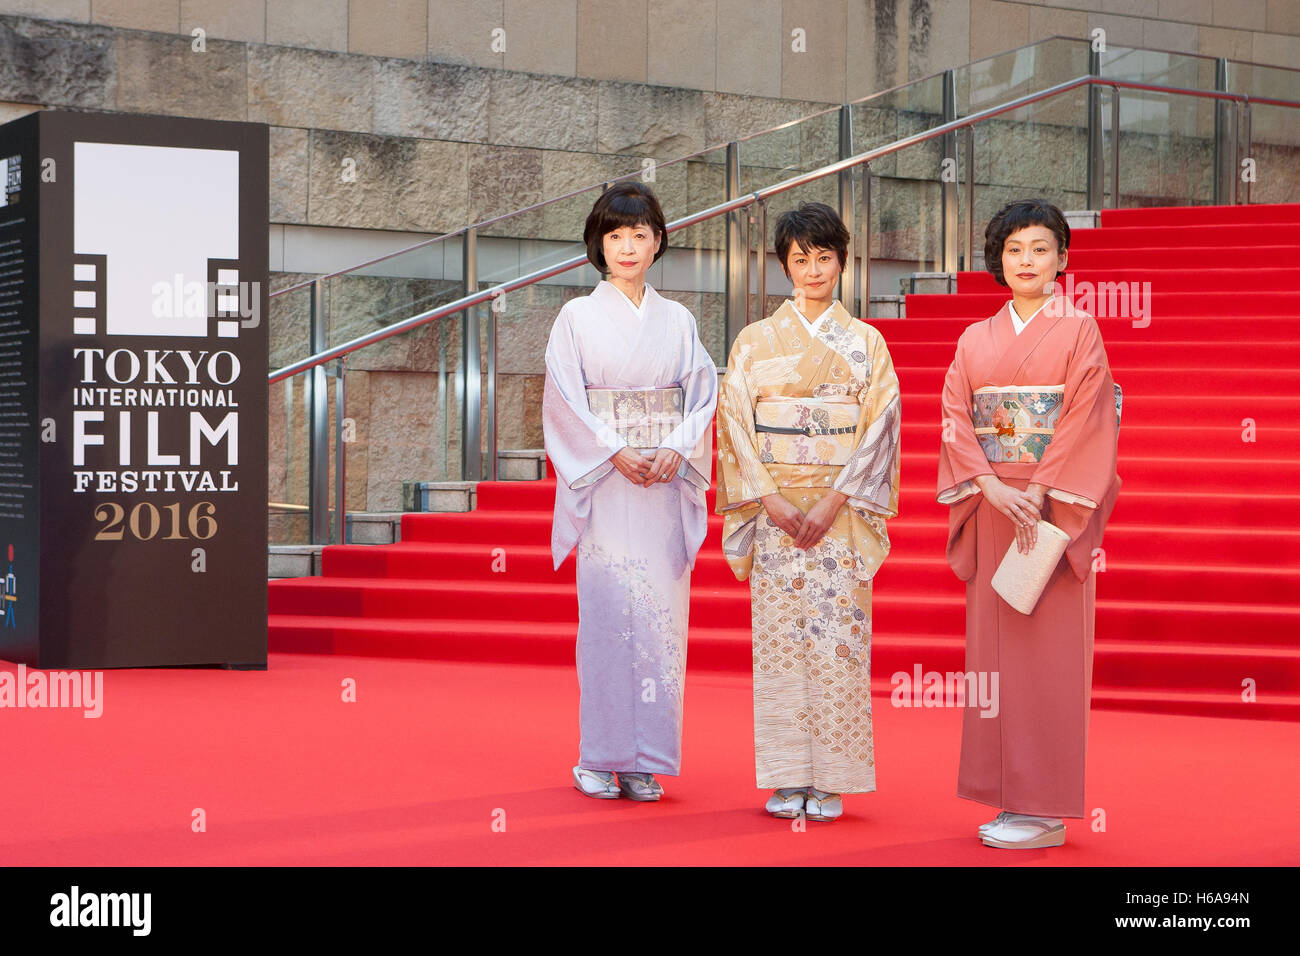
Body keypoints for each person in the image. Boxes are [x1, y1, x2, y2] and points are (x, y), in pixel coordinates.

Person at [936, 198, 1121, 848]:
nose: (1026, 260)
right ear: (998, 259)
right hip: (993, 508)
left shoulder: (1079, 332)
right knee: (992, 654)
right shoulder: (974, 338)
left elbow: (1087, 418)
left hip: (1048, 517)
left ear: (1063, 259)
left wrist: (1039, 492)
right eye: (1015, 249)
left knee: (1046, 656)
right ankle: (1007, 795)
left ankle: (1042, 807)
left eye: (1040, 248)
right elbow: (956, 415)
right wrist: (988, 485)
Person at [716, 201, 901, 822]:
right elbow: (736, 422)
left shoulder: (867, 343)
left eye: (825, 257)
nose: (814, 269)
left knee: (837, 643)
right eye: (802, 258)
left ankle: (833, 778)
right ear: (783, 265)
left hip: (838, 513)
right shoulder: (753, 342)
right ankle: (788, 774)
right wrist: (766, 496)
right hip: (773, 514)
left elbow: (880, 426)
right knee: (778, 645)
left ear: (842, 262)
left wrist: (836, 498)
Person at [542, 182, 718, 802]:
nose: (627, 246)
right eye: (615, 235)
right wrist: (613, 449)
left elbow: (702, 396)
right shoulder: (576, 318)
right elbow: (563, 400)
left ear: (658, 240)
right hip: (610, 487)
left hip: (662, 485)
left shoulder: (679, 320)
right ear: (599, 243)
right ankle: (601, 754)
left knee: (662, 620)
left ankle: (646, 759)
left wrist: (678, 446)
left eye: (639, 234)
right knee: (611, 618)